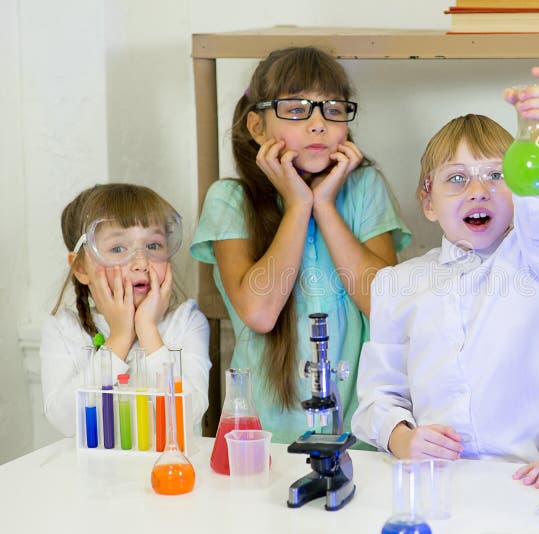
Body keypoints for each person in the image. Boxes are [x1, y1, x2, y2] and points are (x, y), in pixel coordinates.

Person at [352, 67, 539, 488]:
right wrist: (403, 439)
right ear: (428, 202)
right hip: (435, 482)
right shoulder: (397, 284)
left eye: (497, 175)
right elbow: (378, 397)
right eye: (457, 178)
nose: (477, 190)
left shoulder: (538, 259)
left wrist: (538, 141)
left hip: (529, 480)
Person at [190, 46, 411, 445]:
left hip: (358, 434)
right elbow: (259, 313)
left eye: (333, 109)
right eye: (296, 109)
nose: (318, 125)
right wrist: (297, 205)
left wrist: (324, 204)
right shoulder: (229, 200)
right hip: (261, 440)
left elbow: (385, 306)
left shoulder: (363, 188)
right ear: (257, 127)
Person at [41, 183, 211, 437]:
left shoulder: (186, 322)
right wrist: (119, 338)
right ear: (81, 268)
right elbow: (65, 420)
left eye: (153, 246)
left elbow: (187, 415)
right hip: (92, 475)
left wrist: (147, 330)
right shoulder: (63, 329)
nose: (141, 263)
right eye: (118, 249)